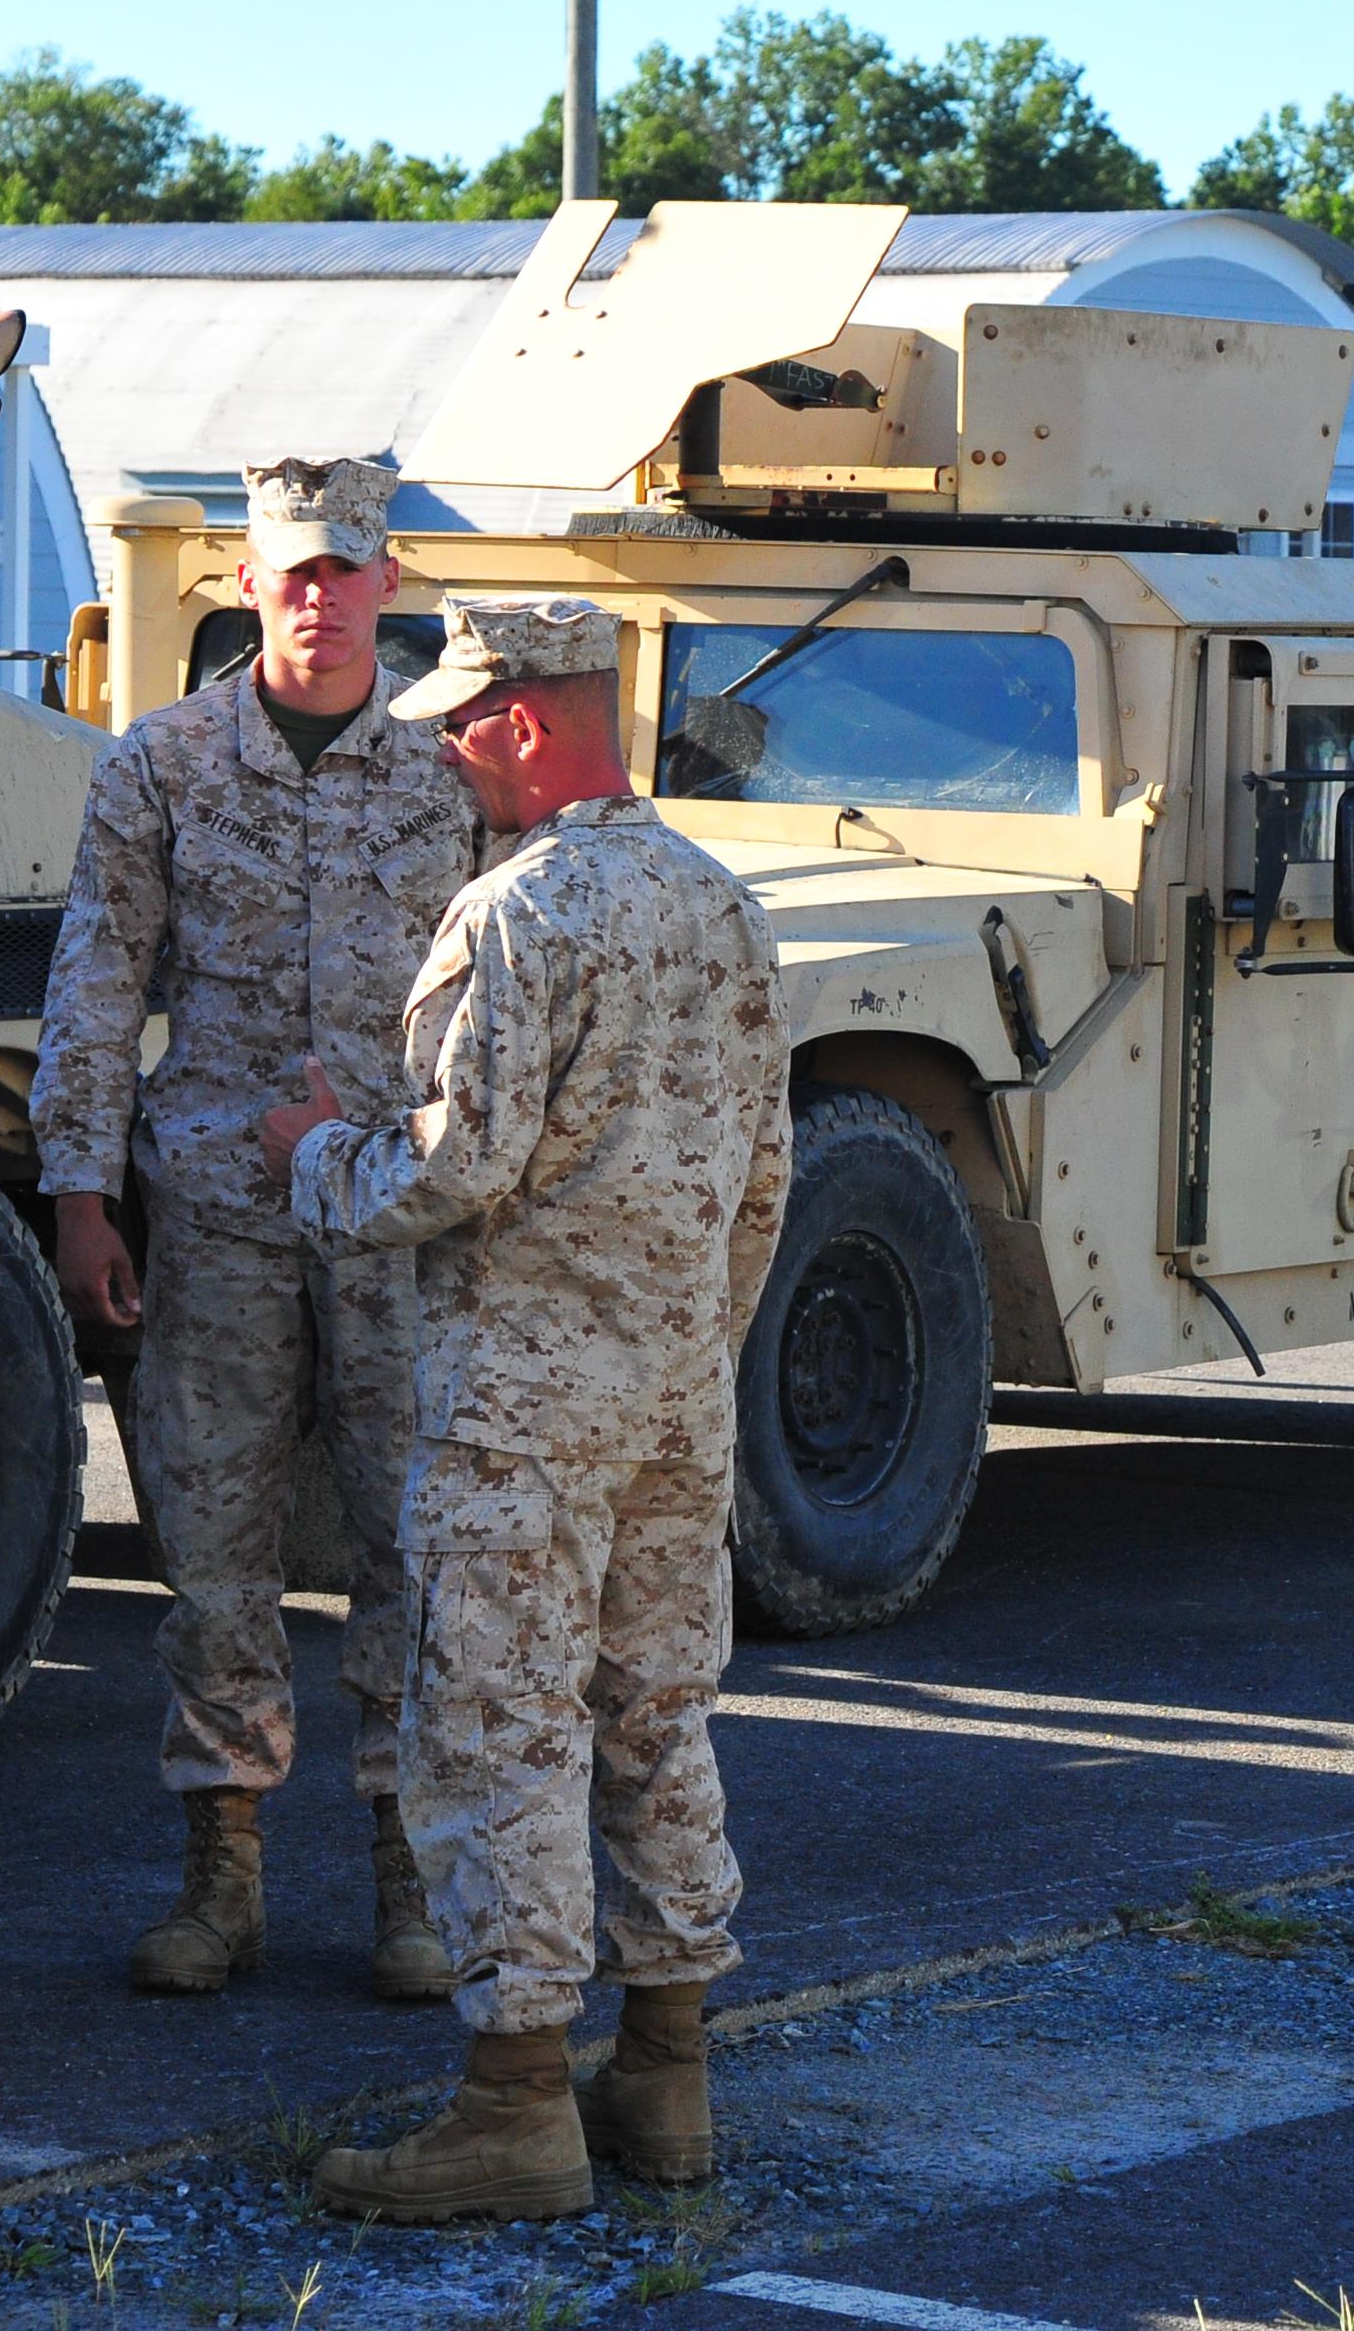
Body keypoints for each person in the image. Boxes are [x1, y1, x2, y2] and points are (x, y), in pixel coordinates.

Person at [259, 597, 793, 2224]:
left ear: (526, 723)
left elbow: (454, 1162)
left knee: (498, 1721)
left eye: (456, 725)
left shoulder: (519, 911)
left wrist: (312, 1150)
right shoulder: (723, 904)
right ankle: (670, 2071)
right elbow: (763, 1178)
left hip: (520, 1408)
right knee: (657, 1712)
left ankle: (512, 2102)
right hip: (674, 1398)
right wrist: (690, 1339)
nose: (437, 751)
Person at [34, 456, 482, 1998]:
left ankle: (413, 1880)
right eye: (293, 568)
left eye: (347, 568)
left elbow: (500, 1008)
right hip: (216, 1215)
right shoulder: (158, 768)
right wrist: (82, 1195)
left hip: (395, 1217)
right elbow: (98, 986)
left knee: (414, 1540)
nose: (320, 593)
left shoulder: (449, 777)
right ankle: (221, 1876)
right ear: (245, 581)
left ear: (389, 583)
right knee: (210, 1545)